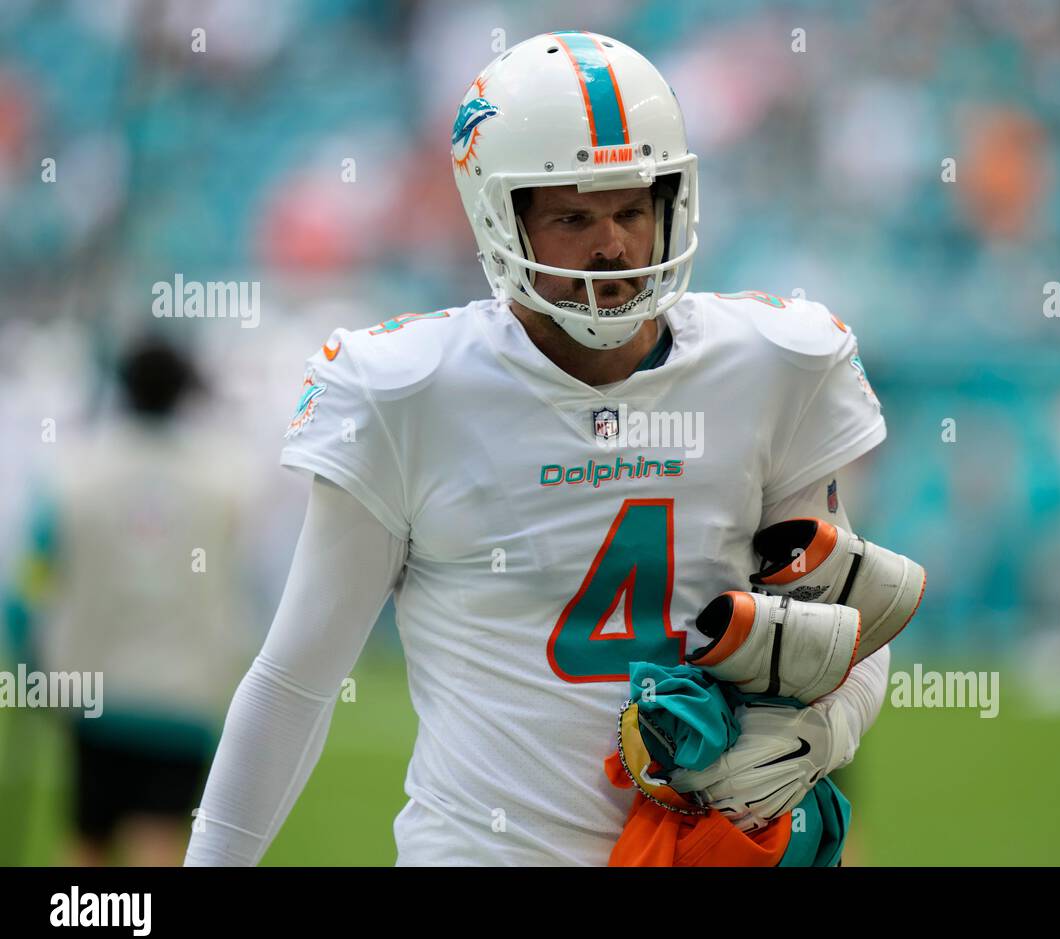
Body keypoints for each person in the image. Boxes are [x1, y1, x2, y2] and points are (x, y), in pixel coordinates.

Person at [185, 30, 918, 866]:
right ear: (503, 218)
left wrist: (821, 734)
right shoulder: (408, 394)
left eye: (632, 209)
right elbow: (294, 681)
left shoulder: (769, 366)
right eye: (574, 215)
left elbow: (843, 625)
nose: (613, 244)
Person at [5, 334, 255, 865]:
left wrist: (31, 662)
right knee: (159, 842)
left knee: (86, 841)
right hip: (184, 695)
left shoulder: (74, 476)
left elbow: (26, 588)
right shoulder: (223, 484)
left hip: (97, 690)